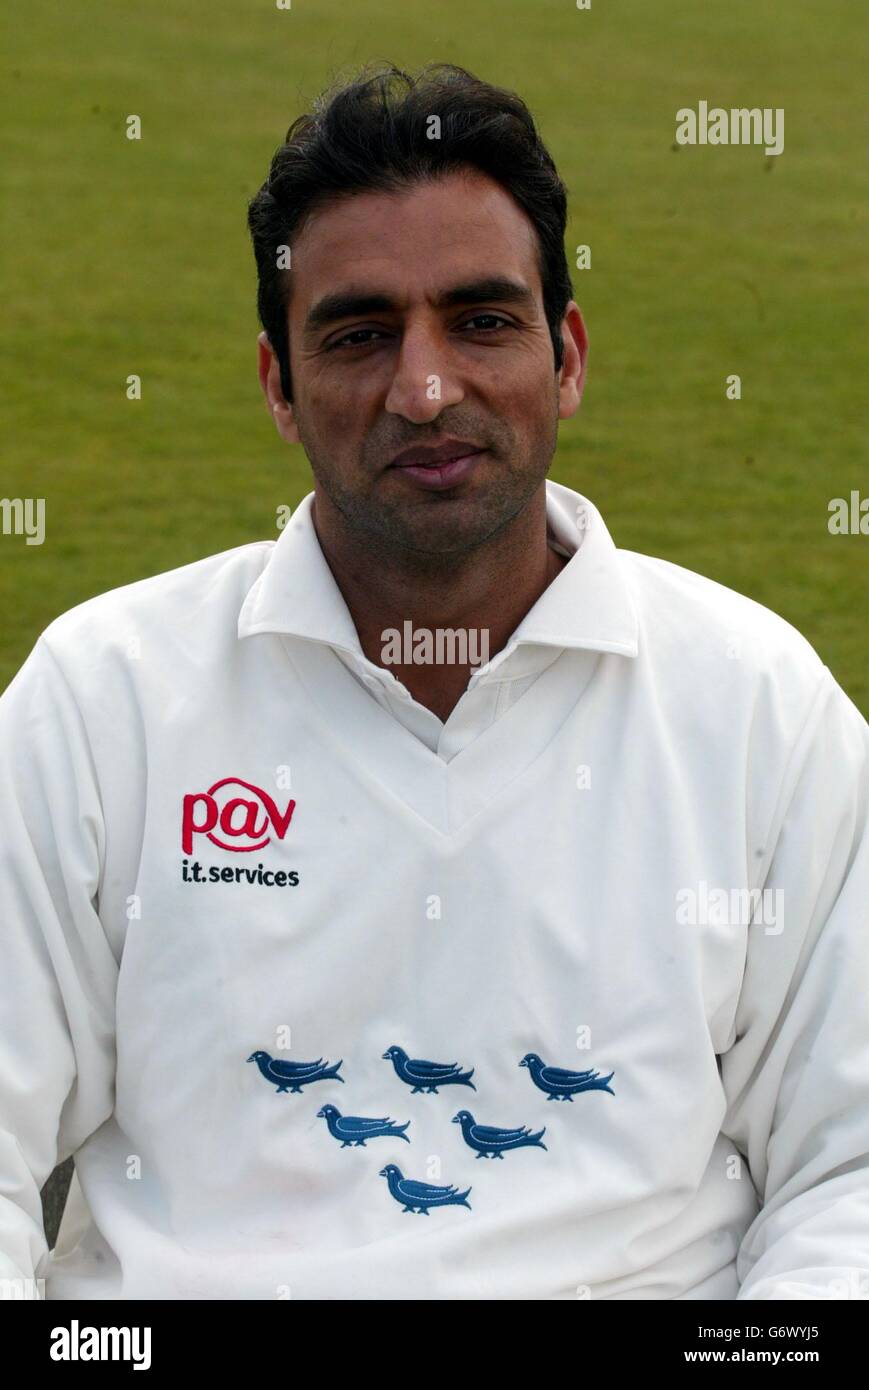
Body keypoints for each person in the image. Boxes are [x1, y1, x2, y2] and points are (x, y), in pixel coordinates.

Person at [1, 63, 867, 1301]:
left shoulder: (756, 709)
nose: (424, 388)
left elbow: (849, 1169)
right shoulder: (102, 701)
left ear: (564, 356)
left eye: (481, 320)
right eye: (358, 335)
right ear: (277, 388)